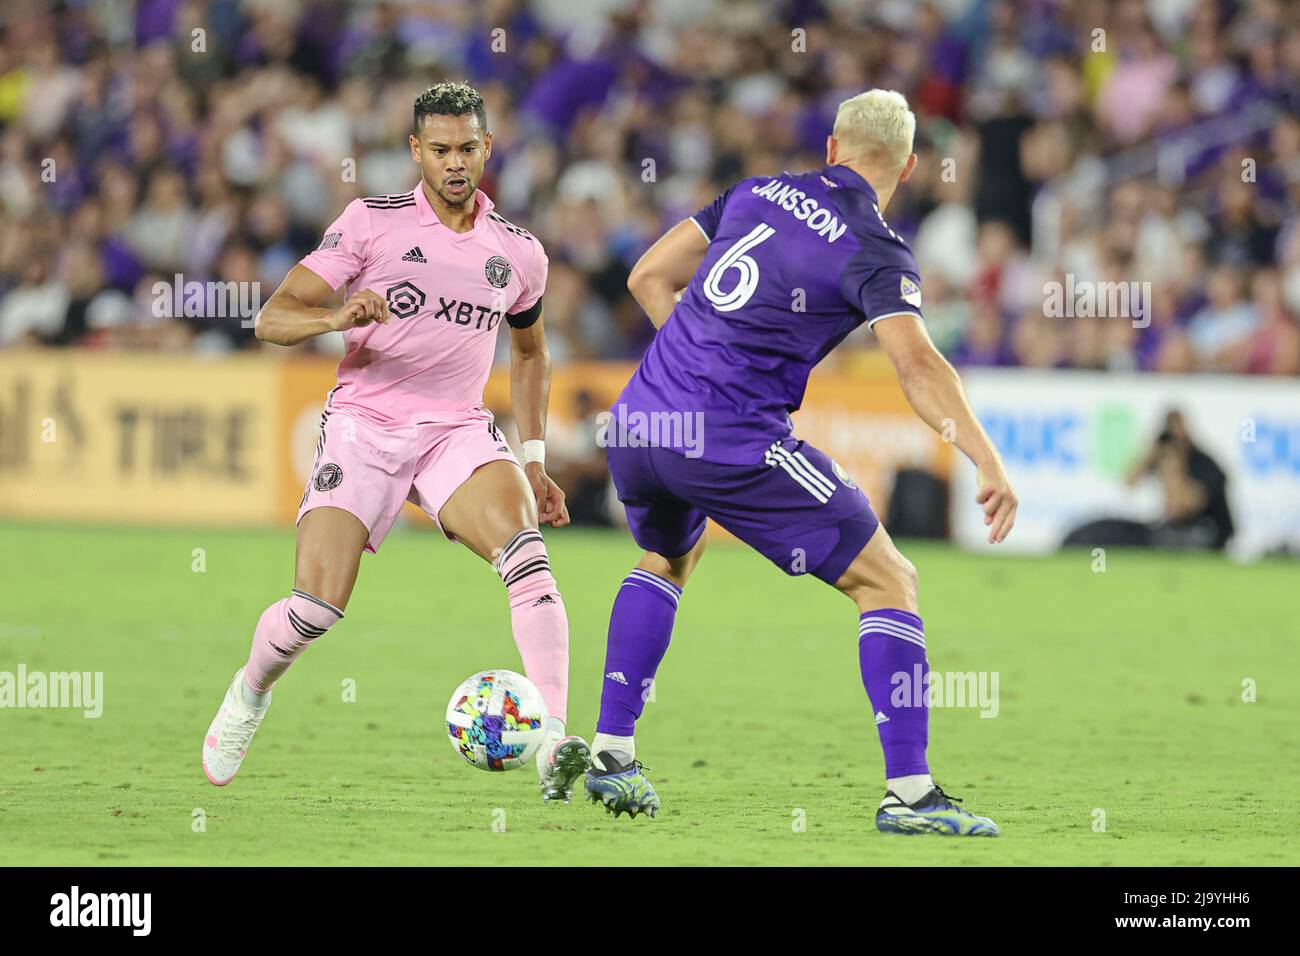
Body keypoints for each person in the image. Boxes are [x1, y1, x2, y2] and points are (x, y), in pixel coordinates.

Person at [584, 90, 1017, 836]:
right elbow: (916, 363)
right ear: (908, 166)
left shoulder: (756, 192)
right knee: (890, 579)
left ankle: (611, 754)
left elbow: (648, 276)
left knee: (667, 556)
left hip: (643, 417)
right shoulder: (875, 246)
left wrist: (691, 359)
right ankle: (910, 796)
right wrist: (985, 457)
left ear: (830, 148)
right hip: (729, 434)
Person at [202, 82, 590, 802]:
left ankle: (556, 738)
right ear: (416, 151)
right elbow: (271, 318)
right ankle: (251, 690)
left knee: (529, 557)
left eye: (467, 148)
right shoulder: (370, 224)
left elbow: (530, 353)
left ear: (487, 149)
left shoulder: (519, 253)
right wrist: (336, 317)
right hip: (365, 425)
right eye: (439, 149)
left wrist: (533, 462)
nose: (454, 163)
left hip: (454, 429)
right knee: (315, 610)